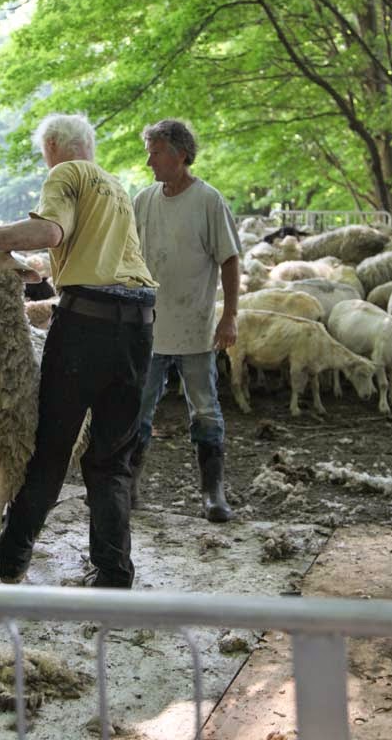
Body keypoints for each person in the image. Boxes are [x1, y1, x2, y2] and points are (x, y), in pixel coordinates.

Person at [0, 113, 157, 588]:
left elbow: (49, 232)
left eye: (43, 155)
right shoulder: (115, 188)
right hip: (138, 326)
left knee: (48, 449)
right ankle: (114, 575)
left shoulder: (66, 173)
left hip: (87, 325)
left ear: (53, 146)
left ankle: (10, 563)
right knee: (111, 459)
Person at [132, 119, 241, 522]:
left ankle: (213, 494)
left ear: (180, 154)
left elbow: (229, 260)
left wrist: (229, 317)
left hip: (195, 327)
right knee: (138, 410)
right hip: (149, 326)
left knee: (205, 409)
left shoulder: (208, 201)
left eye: (156, 152)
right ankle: (131, 486)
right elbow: (129, 255)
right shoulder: (143, 200)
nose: (149, 161)